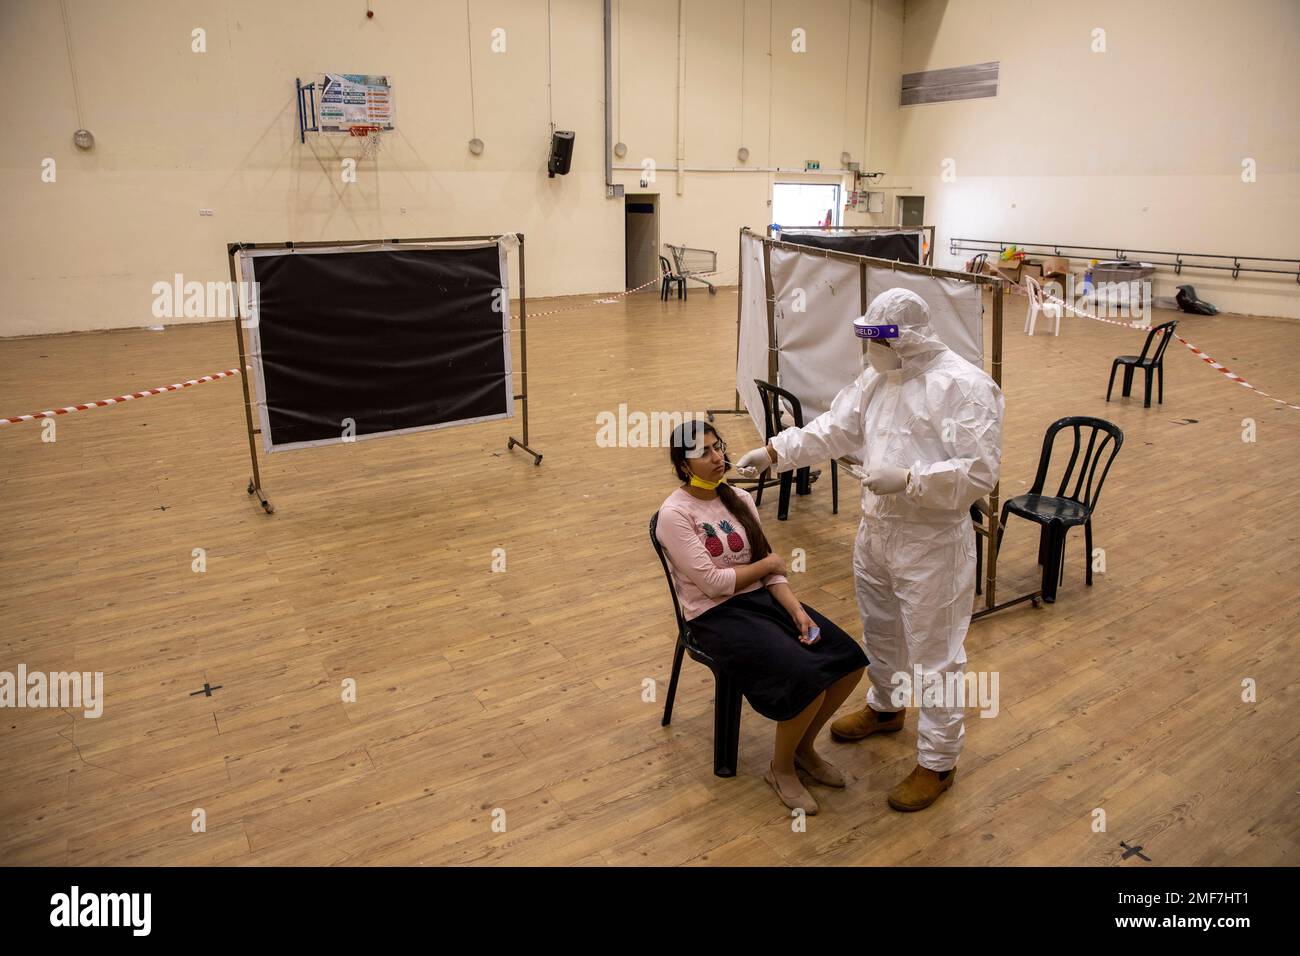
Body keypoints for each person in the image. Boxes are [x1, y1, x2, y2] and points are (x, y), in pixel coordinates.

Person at [736, 288, 1004, 811]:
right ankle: (886, 707)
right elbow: (834, 429)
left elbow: (979, 473)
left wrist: (909, 478)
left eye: (880, 340)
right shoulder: (881, 376)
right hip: (877, 532)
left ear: (910, 337)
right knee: (881, 630)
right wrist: (774, 451)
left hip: (932, 545)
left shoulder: (965, 387)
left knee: (936, 656)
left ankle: (938, 761)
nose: (871, 350)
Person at [656, 420, 866, 815]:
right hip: (716, 616)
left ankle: (803, 747)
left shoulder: (739, 497)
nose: (718, 457)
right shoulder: (674, 514)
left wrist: (797, 610)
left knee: (849, 659)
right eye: (704, 452)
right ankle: (780, 768)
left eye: (718, 447)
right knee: (807, 680)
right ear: (684, 466)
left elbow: (771, 572)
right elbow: (716, 584)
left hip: (760, 602)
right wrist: (768, 562)